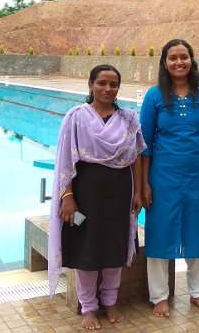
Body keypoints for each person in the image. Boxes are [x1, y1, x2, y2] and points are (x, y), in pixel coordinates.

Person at [48, 65, 146, 330]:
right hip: (85, 196)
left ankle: (110, 302)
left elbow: (135, 157)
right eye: (102, 83)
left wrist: (138, 191)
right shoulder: (76, 117)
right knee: (86, 252)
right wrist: (67, 197)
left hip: (119, 196)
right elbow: (65, 159)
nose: (108, 89)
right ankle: (88, 308)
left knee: (115, 250)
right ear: (90, 85)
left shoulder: (128, 119)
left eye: (113, 84)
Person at [140, 39, 199, 317]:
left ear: (192, 61)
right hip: (162, 177)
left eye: (184, 57)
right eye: (173, 58)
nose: (179, 62)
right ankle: (160, 296)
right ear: (165, 63)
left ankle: (198, 292)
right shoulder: (154, 96)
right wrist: (144, 183)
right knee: (159, 232)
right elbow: (144, 144)